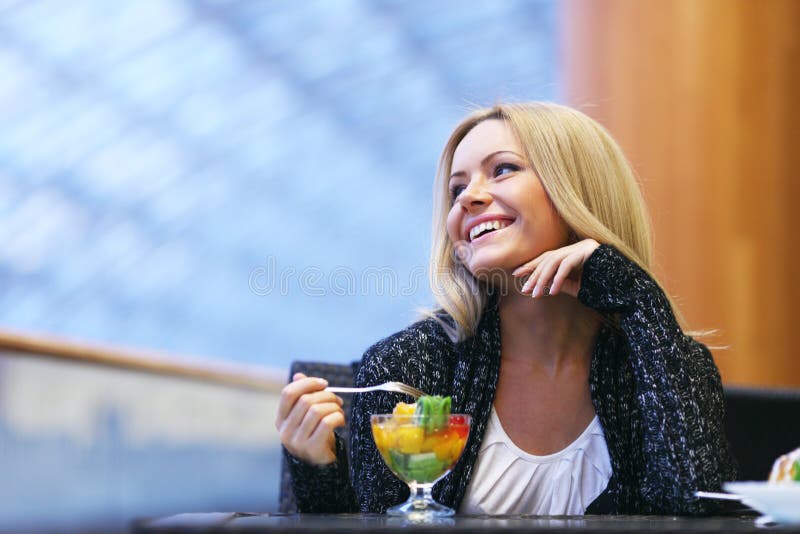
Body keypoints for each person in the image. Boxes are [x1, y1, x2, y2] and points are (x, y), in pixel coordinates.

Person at [275, 102, 736, 515]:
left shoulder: (669, 363)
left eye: (502, 170)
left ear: (579, 191)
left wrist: (636, 297)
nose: (468, 199)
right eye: (457, 189)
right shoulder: (409, 365)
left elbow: (694, 511)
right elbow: (374, 523)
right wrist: (318, 467)